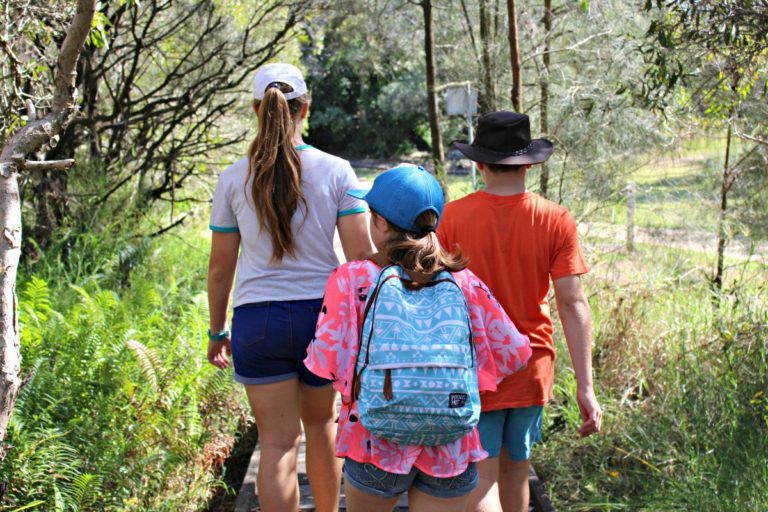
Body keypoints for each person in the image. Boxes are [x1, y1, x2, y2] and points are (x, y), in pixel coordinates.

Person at [304, 164, 532, 512]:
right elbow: (515, 353)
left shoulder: (351, 279)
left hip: (374, 442)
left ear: (380, 222)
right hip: (450, 443)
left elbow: (327, 361)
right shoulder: (463, 281)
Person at [206, 62, 371, 512]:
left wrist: (217, 331)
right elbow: (360, 256)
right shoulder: (337, 171)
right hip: (323, 316)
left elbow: (220, 269)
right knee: (321, 426)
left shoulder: (233, 178)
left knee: (277, 441)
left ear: (257, 110)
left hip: (257, 320)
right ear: (305, 109)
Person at [437, 111, 603, 512]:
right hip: (532, 366)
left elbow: (436, 297)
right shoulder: (555, 219)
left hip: (476, 367)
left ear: (480, 163)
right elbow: (572, 302)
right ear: (528, 164)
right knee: (516, 471)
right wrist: (586, 385)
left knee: (481, 477)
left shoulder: (453, 217)